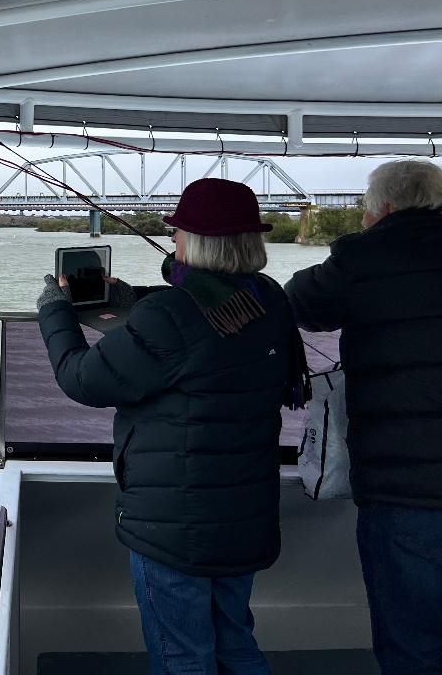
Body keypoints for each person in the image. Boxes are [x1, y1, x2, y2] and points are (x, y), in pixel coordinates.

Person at [37, 178, 306, 675]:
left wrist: (54, 312)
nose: (175, 242)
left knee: (183, 654)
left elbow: (82, 379)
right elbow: (203, 329)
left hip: (174, 526)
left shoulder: (173, 313)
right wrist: (134, 300)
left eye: (179, 233)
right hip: (243, 514)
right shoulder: (267, 298)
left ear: (193, 242)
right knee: (235, 642)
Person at [285, 160, 442, 675]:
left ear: (385, 208)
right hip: (409, 487)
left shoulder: (363, 258)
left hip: (405, 490)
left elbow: (300, 303)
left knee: (411, 641)